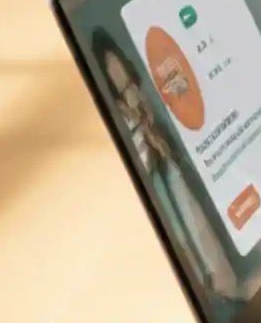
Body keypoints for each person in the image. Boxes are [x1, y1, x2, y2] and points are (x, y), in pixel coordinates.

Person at [91, 28, 243, 308]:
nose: (134, 99)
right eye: (122, 94)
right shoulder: (129, 150)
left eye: (132, 85)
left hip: (195, 220)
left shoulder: (161, 133)